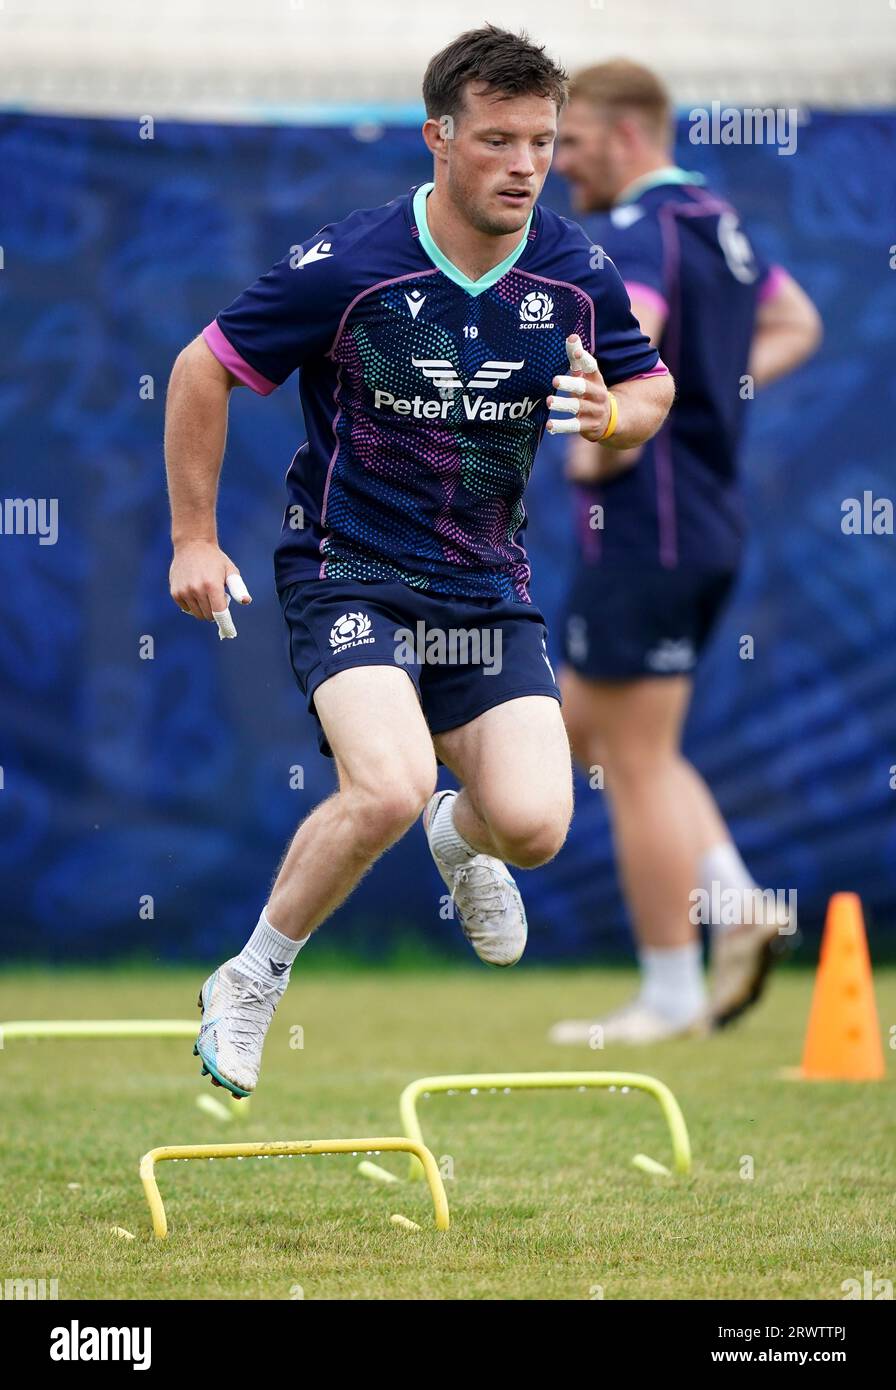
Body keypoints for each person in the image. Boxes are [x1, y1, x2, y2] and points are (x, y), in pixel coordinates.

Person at [164, 28, 674, 1096]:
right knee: (386, 785)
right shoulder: (352, 263)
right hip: (346, 570)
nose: (525, 164)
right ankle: (251, 978)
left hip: (487, 587)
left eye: (541, 140)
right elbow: (200, 369)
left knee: (532, 827)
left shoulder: (574, 271)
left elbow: (651, 386)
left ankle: (463, 830)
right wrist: (194, 539)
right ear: (438, 137)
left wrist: (616, 414)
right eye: (496, 139)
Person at [549, 60, 822, 1045]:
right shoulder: (720, 223)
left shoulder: (631, 232)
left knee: (631, 758)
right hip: (703, 525)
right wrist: (711, 385)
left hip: (645, 525)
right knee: (589, 731)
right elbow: (798, 322)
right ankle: (740, 903)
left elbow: (638, 336)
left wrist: (594, 444)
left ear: (625, 136)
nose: (555, 166)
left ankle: (667, 989)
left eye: (568, 142)